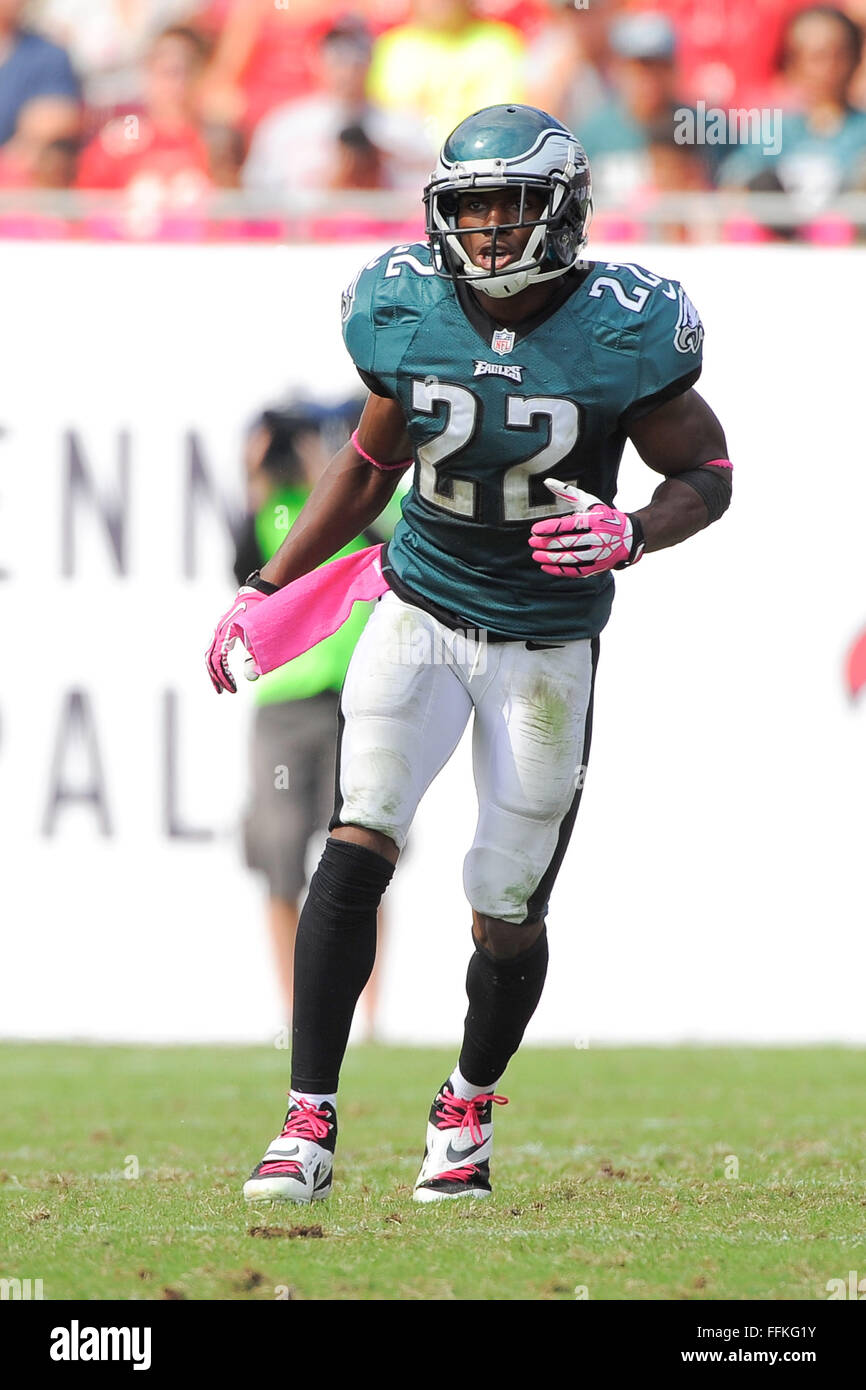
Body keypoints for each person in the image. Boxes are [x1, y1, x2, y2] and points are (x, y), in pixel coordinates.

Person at [206, 103, 733, 1206]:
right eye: (470, 207)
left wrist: (634, 528)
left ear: (561, 211)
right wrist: (268, 585)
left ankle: (466, 1102)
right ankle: (307, 1120)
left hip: (545, 641)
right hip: (421, 608)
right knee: (356, 838)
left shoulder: (626, 326)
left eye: (507, 205)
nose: (487, 230)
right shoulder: (403, 307)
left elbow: (708, 472)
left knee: (504, 905)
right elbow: (362, 464)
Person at [233, 402, 398, 1040]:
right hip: (283, 707)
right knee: (279, 857)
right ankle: (293, 1012)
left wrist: (328, 472)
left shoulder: (350, 512)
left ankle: (372, 1018)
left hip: (353, 699)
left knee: (364, 857)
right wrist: (257, 481)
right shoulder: (267, 519)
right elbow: (243, 571)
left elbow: (384, 542)